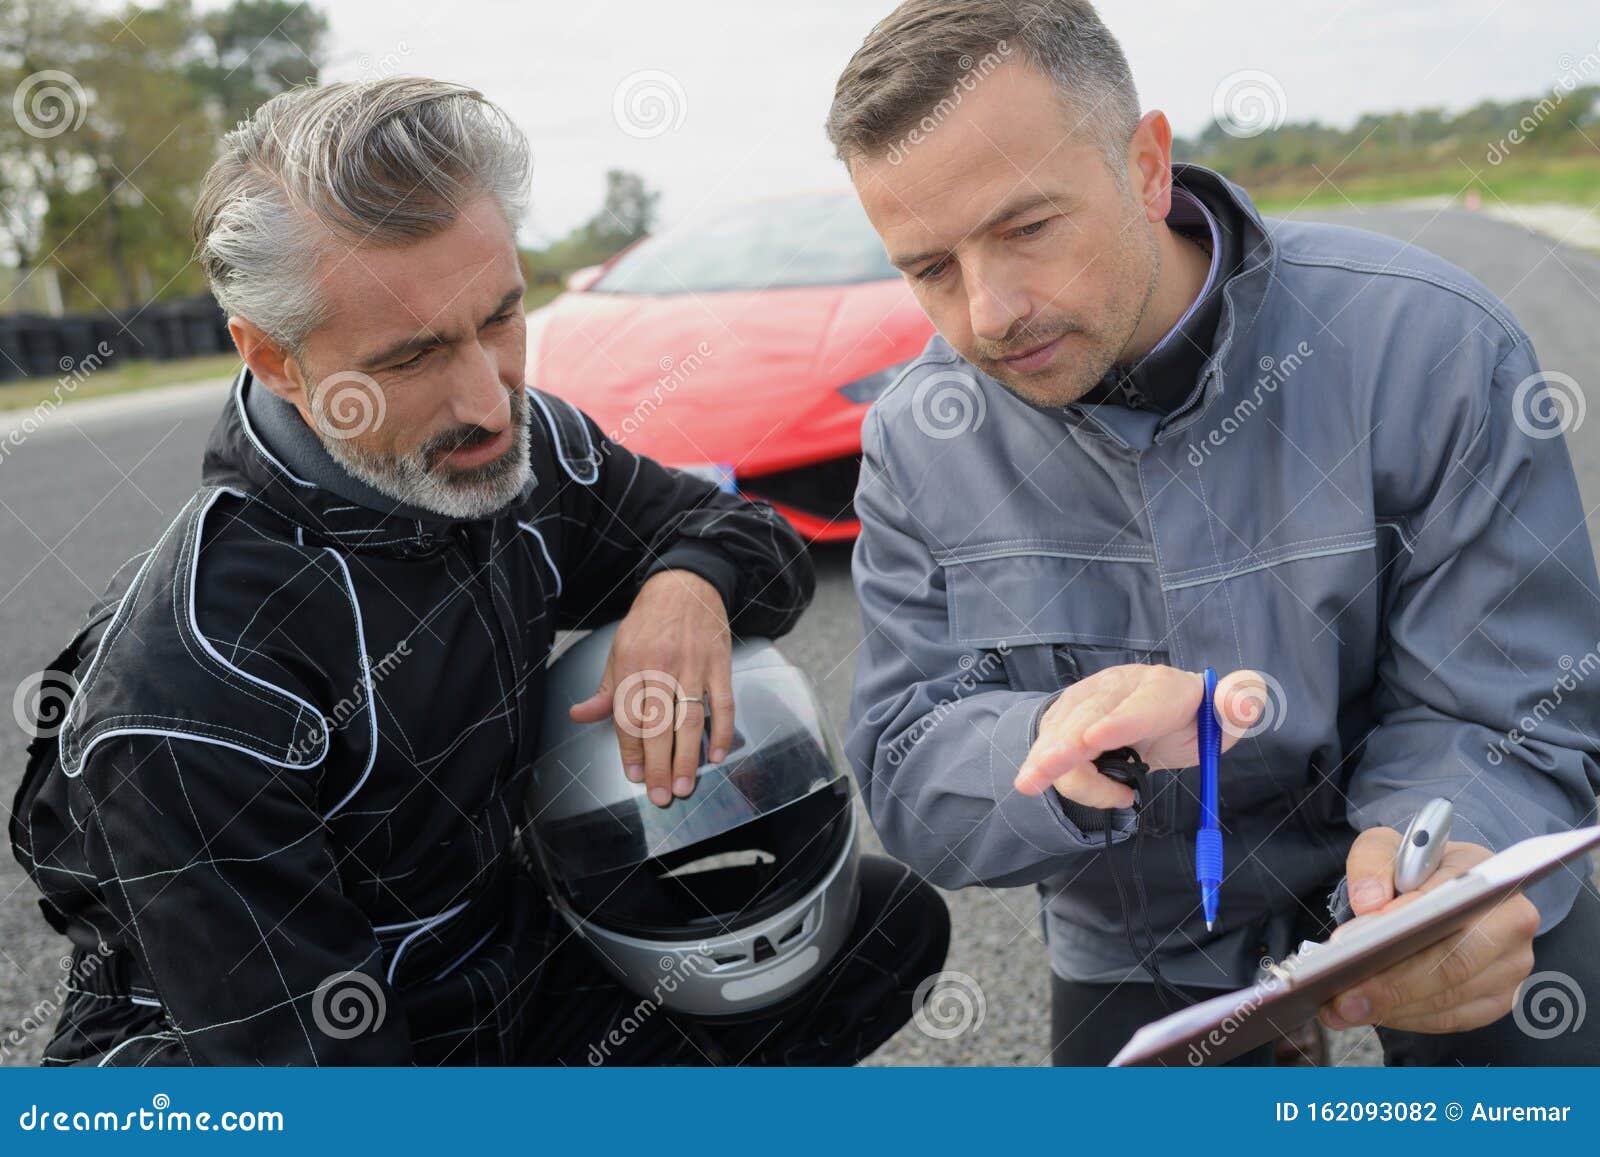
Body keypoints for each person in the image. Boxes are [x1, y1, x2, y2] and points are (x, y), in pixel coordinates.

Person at [10, 77, 947, 1066]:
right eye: (412, 356)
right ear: (274, 357)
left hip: (491, 968)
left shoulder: (525, 449)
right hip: (264, 1055)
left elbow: (748, 535)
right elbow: (316, 1078)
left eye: (499, 317)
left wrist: (687, 586)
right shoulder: (191, 681)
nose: (488, 401)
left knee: (878, 927)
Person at [831, 0, 1600, 1065]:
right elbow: (908, 761)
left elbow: (1511, 699)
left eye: (1026, 228)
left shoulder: (1431, 347)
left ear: (1146, 165)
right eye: (929, 268)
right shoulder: (919, 441)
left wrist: (1457, 842)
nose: (990, 310)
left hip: (1421, 867)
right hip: (1144, 933)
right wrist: (1053, 737)